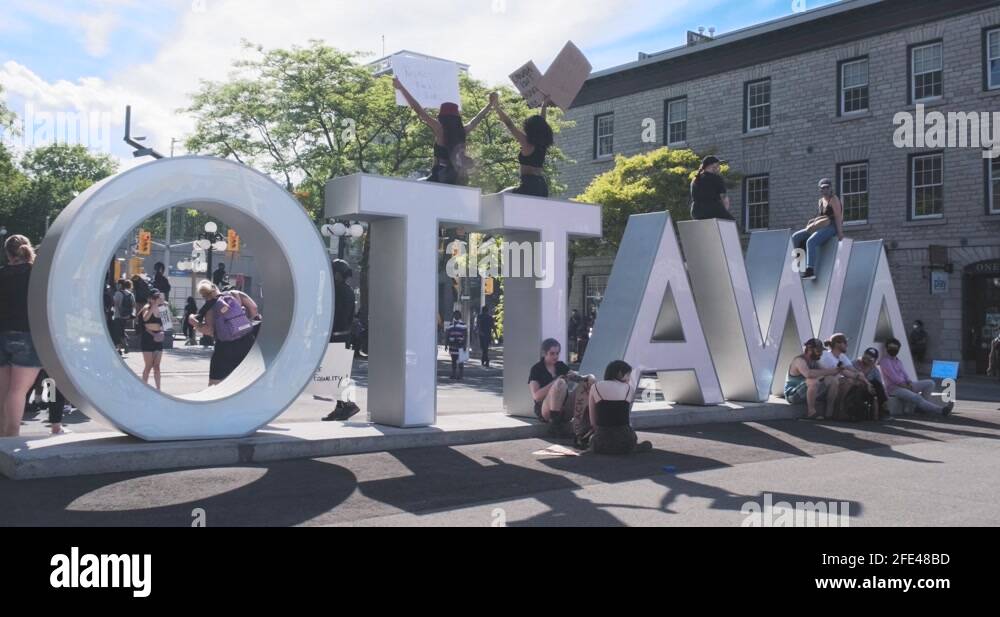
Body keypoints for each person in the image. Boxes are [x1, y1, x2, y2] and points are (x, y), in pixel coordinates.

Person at [393, 77, 494, 185]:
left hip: (440, 178)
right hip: (459, 179)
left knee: (415, 185)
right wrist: (490, 104)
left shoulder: (439, 129)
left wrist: (401, 88)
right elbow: (477, 119)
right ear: (457, 119)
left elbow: (419, 110)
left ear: (443, 117)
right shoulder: (463, 131)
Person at [0, 235, 43, 437]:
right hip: (27, 335)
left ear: (7, 253)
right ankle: (11, 437)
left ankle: (2, 438)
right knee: (18, 391)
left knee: (4, 392)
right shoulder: (36, 275)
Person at [188, 280, 259, 386]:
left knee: (214, 384)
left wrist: (194, 322)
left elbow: (209, 330)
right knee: (246, 381)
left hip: (225, 347)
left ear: (203, 295)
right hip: (247, 342)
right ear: (215, 286)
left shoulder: (210, 307)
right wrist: (243, 322)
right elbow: (254, 308)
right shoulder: (235, 294)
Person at [493, 92, 554, 197]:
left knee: (498, 197)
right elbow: (542, 123)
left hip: (529, 186)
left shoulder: (527, 143)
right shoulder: (542, 145)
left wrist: (496, 107)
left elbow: (510, 124)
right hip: (542, 187)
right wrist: (544, 105)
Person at [587, 360, 653, 455]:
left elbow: (593, 422)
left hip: (600, 443)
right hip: (626, 441)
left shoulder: (595, 387)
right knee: (646, 444)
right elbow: (626, 418)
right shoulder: (629, 389)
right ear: (619, 373)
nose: (629, 379)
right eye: (628, 375)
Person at [323, 260, 361, 422]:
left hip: (335, 337)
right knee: (338, 374)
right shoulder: (348, 291)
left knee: (335, 374)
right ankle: (341, 408)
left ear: (337, 274)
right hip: (343, 337)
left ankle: (348, 404)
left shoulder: (336, 291)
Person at [528, 339, 594, 430]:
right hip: (546, 410)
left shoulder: (560, 365)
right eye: (552, 353)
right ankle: (555, 425)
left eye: (557, 353)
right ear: (544, 353)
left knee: (588, 381)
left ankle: (582, 424)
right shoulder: (536, 369)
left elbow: (577, 377)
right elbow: (536, 396)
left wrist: (588, 378)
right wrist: (555, 382)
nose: (555, 356)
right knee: (560, 382)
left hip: (564, 409)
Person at [879, 337, 954, 416]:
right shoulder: (885, 361)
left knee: (930, 383)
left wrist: (909, 382)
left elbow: (905, 374)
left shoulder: (898, 361)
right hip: (894, 388)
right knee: (917, 397)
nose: (893, 349)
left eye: (895, 348)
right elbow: (894, 378)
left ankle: (921, 408)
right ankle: (941, 410)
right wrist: (907, 387)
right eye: (891, 347)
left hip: (906, 385)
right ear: (887, 348)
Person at [792, 178, 845, 281]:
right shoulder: (820, 201)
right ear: (820, 190)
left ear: (830, 188)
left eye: (827, 187)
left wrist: (840, 233)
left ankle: (810, 271)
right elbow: (821, 217)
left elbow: (838, 217)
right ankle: (800, 264)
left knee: (811, 241)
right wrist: (812, 222)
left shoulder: (834, 199)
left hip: (832, 226)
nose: (825, 190)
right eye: (822, 188)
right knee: (796, 237)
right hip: (821, 225)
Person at [784, 338, 848, 420]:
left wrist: (837, 370)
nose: (821, 354)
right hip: (793, 395)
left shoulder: (814, 361)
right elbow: (808, 373)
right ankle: (811, 412)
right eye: (818, 351)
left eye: (821, 351)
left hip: (806, 392)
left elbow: (825, 372)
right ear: (810, 350)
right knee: (812, 380)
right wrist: (828, 372)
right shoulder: (799, 360)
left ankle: (829, 413)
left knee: (832, 380)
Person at [690, 155, 734, 221]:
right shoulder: (716, 178)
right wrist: (725, 213)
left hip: (696, 212)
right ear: (712, 165)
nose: (719, 167)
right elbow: (724, 198)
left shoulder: (695, 179)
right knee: (734, 226)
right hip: (713, 211)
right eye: (718, 165)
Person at [138, 289, 166, 391]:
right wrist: (154, 305)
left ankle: (158, 389)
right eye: (155, 298)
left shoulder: (163, 308)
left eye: (158, 297)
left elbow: (167, 324)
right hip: (148, 338)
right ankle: (143, 388)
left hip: (158, 338)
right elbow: (145, 319)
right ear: (150, 299)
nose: (157, 300)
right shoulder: (147, 307)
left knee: (157, 366)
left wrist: (163, 307)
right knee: (148, 365)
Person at [853, 347, 888, 419]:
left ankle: (881, 411)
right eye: (867, 354)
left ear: (874, 360)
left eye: (871, 357)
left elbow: (880, 384)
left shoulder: (875, 369)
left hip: (869, 391)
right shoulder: (854, 363)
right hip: (856, 387)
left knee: (877, 384)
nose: (868, 357)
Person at [112, 279, 135, 356]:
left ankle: (121, 347)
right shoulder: (130, 294)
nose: (117, 285)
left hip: (118, 316)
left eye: (118, 284)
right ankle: (124, 343)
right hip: (126, 317)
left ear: (121, 285)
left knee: (117, 333)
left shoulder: (118, 293)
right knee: (121, 331)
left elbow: (114, 304)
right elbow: (133, 305)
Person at [445, 311, 468, 381]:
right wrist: (446, 344)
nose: (456, 316)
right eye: (455, 315)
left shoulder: (463, 325)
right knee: (453, 361)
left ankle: (460, 375)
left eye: (457, 315)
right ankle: (453, 374)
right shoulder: (450, 324)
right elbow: (447, 334)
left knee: (461, 361)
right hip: (452, 345)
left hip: (460, 345)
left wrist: (465, 345)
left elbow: (465, 335)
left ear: (460, 316)